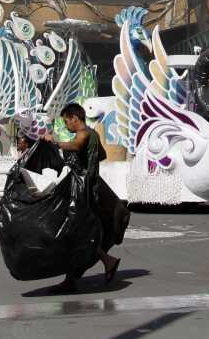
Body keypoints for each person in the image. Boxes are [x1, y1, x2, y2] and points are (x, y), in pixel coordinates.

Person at [43, 103, 124, 289]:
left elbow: (77, 145)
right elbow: (102, 155)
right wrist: (88, 159)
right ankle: (72, 279)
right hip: (91, 188)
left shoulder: (83, 133)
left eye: (66, 121)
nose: (66, 126)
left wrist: (55, 142)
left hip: (82, 190)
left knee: (76, 233)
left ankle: (106, 261)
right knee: (77, 233)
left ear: (74, 118)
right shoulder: (94, 134)